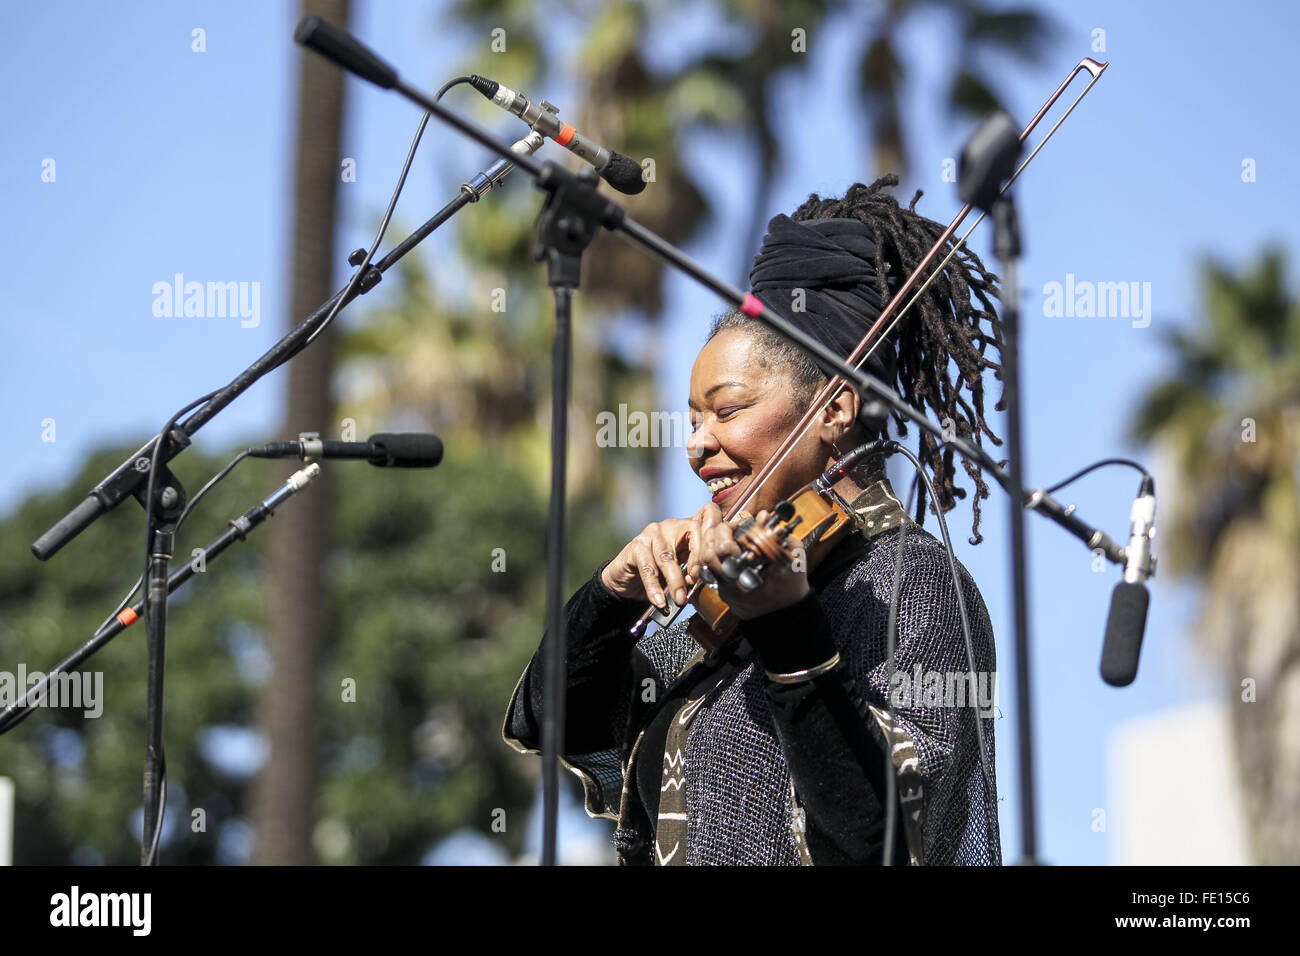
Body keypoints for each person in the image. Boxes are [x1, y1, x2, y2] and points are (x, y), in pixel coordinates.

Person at [503, 176, 1005, 865]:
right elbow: (555, 720)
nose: (696, 443)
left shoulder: (911, 580)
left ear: (835, 408)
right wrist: (609, 597)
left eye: (727, 410)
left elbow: (880, 835)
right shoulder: (719, 625)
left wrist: (788, 627)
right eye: (691, 418)